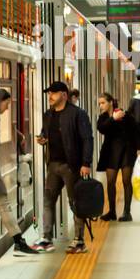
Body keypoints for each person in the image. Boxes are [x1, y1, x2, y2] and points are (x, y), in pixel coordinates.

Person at [33, 80, 95, 254]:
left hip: (72, 166)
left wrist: (86, 163)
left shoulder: (78, 114)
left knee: (75, 202)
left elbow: (87, 139)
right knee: (48, 200)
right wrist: (43, 139)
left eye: (53, 93)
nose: (49, 96)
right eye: (48, 93)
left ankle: (79, 241)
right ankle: (46, 238)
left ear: (64, 95)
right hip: (53, 165)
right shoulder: (48, 114)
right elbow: (46, 132)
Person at [0, 88, 38, 254]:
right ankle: (18, 241)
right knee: (3, 203)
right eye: (6, 104)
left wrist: (19, 135)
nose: (7, 108)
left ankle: (17, 240)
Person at [95, 92, 135, 221]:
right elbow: (101, 128)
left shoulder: (124, 114)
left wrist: (139, 149)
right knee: (111, 182)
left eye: (103, 103)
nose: (101, 105)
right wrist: (113, 118)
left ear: (111, 102)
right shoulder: (103, 118)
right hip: (110, 152)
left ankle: (127, 212)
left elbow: (136, 131)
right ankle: (112, 212)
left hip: (126, 152)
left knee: (126, 181)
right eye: (99, 103)